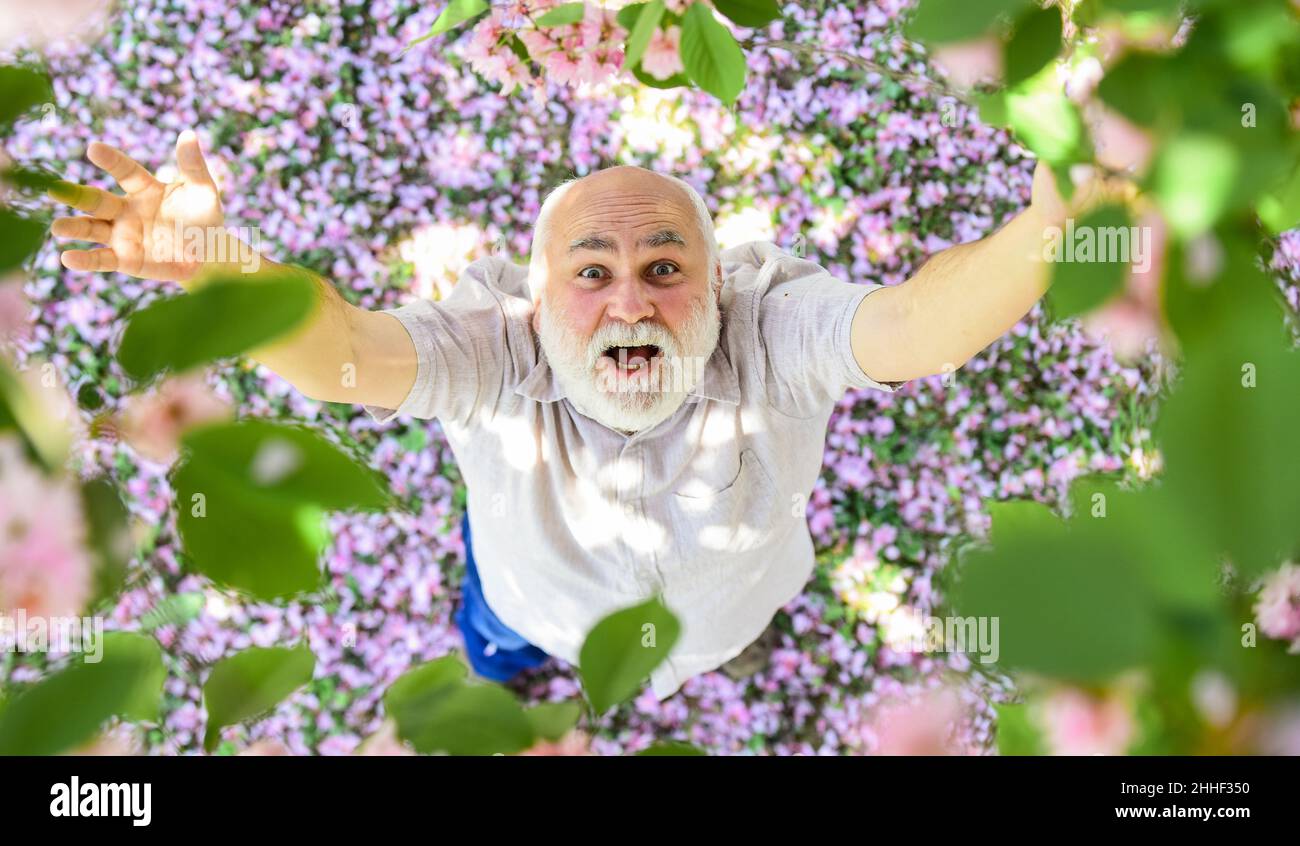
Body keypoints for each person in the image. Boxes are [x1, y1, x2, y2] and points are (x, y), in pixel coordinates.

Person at [50, 131, 1099, 699]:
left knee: (726, 636)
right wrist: (221, 268)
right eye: (590, 271)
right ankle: (508, 670)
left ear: (722, 285)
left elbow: (920, 324)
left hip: (735, 596)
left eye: (663, 266)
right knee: (496, 647)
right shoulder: (494, 345)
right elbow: (345, 355)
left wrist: (1062, 210)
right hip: (527, 600)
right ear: (536, 293)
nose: (631, 300)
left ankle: (713, 656)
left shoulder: (770, 330)